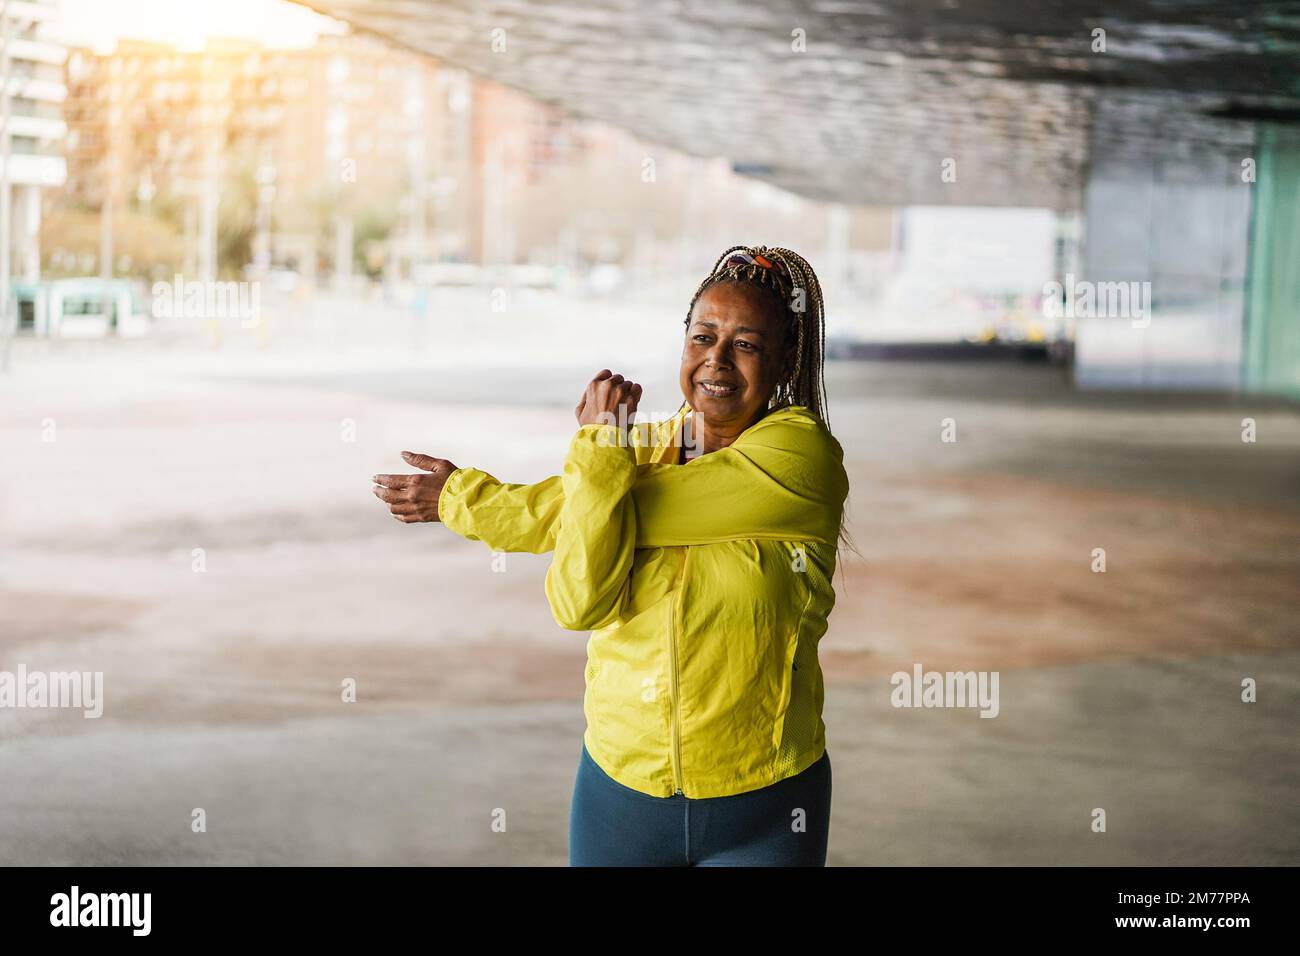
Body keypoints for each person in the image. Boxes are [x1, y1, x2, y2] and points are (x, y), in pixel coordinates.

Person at [372, 245, 852, 866]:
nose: (717, 360)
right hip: (621, 792)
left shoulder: (798, 460)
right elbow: (578, 600)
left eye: (747, 344)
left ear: (785, 357)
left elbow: (601, 505)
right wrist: (590, 466)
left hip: (765, 797)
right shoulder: (640, 451)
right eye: (702, 336)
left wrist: (482, 491)